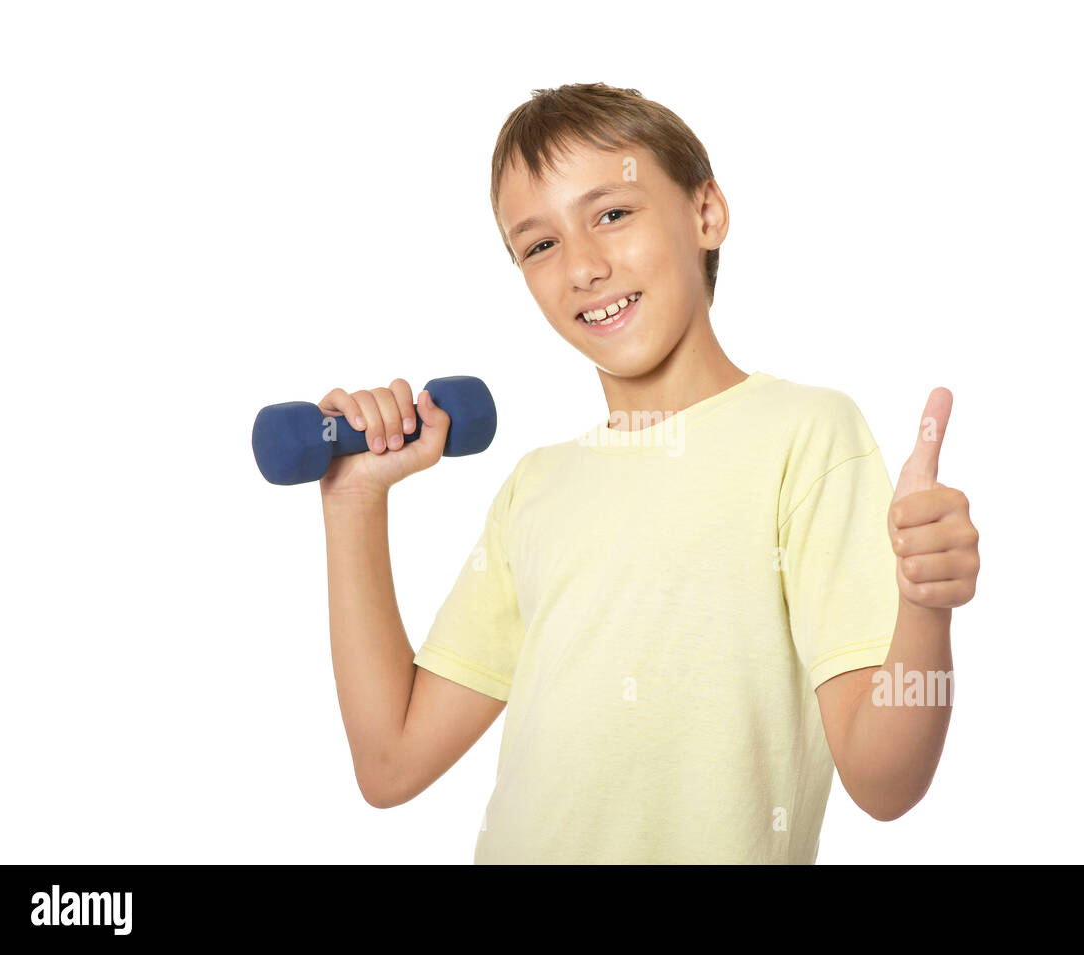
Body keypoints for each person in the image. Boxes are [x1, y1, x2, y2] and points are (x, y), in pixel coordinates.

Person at [317, 82, 980, 864]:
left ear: (707, 214)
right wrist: (353, 498)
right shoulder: (537, 486)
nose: (583, 267)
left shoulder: (806, 434)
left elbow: (884, 779)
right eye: (538, 245)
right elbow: (389, 762)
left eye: (612, 213)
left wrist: (925, 608)